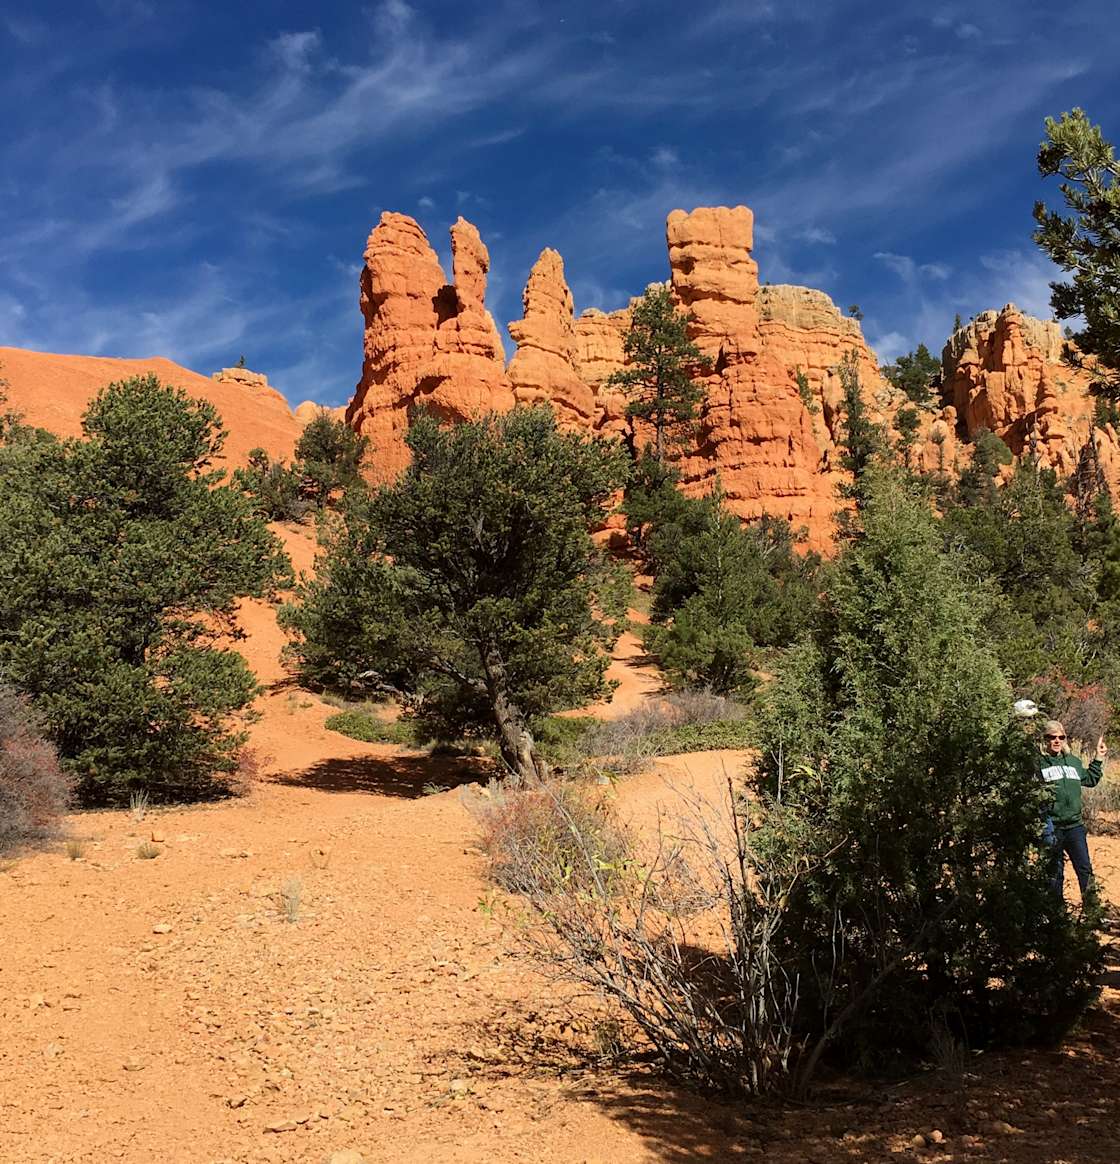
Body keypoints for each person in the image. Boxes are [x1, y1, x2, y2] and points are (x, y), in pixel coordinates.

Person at [1036, 719, 1106, 904]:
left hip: (1075, 827)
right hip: (1052, 827)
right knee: (1054, 873)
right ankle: (1057, 917)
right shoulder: (1039, 764)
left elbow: (1090, 779)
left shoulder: (1073, 762)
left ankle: (1092, 912)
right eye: (1052, 737)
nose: (1057, 741)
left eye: (1061, 737)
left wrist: (1098, 758)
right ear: (1045, 740)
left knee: (1084, 869)